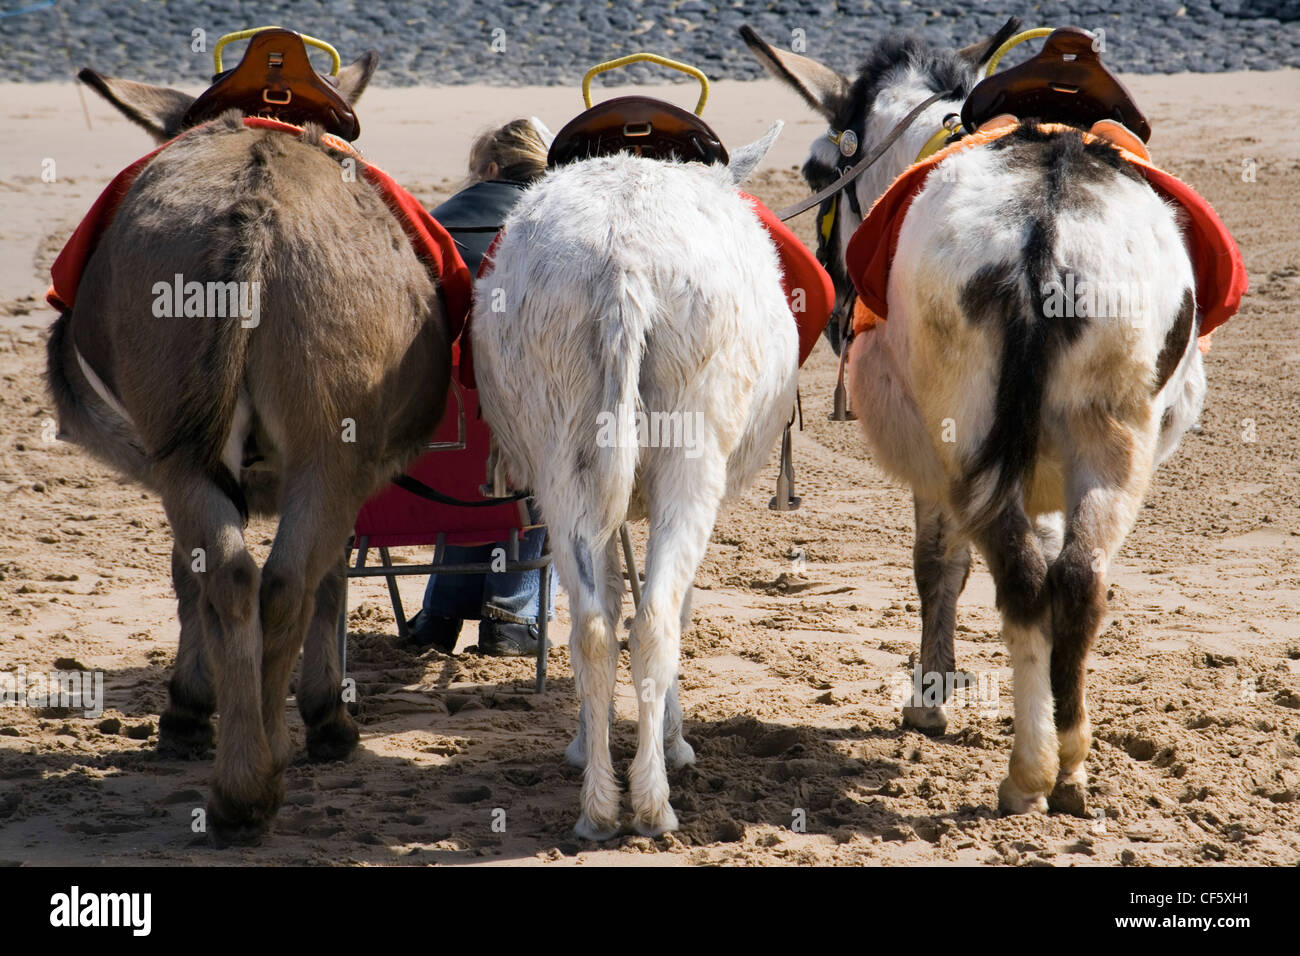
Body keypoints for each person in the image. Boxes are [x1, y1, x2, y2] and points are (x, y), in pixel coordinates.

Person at [407, 118, 557, 657]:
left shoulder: (419, 233)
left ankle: (443, 612)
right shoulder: (562, 240)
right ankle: (512, 613)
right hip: (518, 467)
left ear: (491, 170)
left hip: (414, 476)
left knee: (466, 435)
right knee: (551, 442)